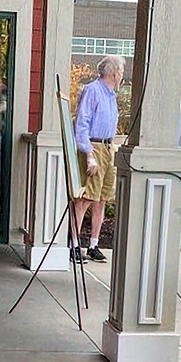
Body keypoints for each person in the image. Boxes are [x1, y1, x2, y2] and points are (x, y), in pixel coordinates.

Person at [71, 55, 125, 262]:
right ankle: (75, 246)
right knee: (85, 199)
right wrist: (89, 155)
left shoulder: (111, 94)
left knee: (101, 199)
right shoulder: (92, 90)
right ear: (113, 73)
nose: (121, 76)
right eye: (120, 72)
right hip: (93, 147)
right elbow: (82, 123)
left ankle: (93, 245)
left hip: (108, 147)